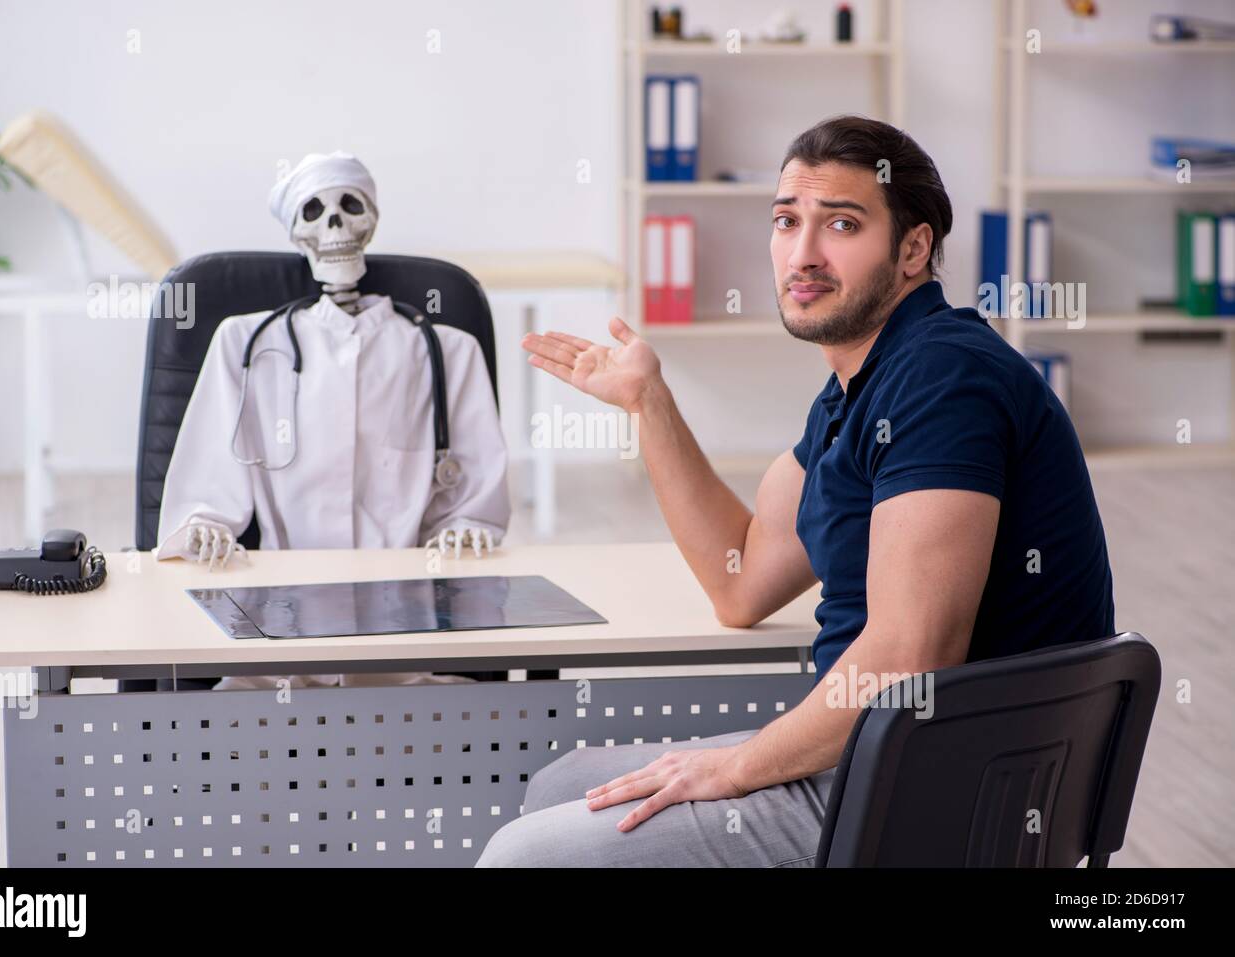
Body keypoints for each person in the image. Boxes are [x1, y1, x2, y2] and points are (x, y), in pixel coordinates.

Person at [476, 115, 1114, 867]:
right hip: (882, 753)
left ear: (913, 249)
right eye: (786, 221)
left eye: (842, 223)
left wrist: (732, 768)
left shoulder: (945, 380)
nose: (802, 254)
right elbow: (739, 580)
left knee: (526, 856)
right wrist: (650, 403)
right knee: (560, 785)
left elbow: (911, 657)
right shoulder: (856, 385)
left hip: (951, 791)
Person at [155, 152, 511, 689]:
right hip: (275, 639)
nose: (336, 225)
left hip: (404, 642)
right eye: (315, 213)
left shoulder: (446, 350)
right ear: (299, 234)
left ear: (372, 219)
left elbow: (472, 505)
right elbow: (206, 489)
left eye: (351, 207)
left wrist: (467, 528)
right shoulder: (246, 343)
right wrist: (205, 525)